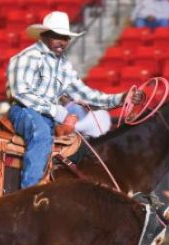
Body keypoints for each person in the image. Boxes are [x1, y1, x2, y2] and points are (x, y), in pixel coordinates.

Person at [7, 11, 143, 188]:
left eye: (65, 38)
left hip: (49, 116)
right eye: (57, 37)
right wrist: (57, 111)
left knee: (80, 145)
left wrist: (121, 98)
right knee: (41, 136)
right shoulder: (27, 57)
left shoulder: (63, 64)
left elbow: (84, 93)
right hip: (24, 111)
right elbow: (21, 93)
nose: (62, 42)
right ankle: (29, 191)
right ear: (45, 36)